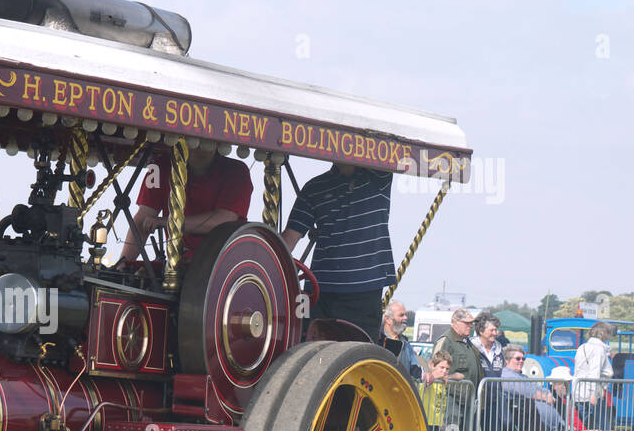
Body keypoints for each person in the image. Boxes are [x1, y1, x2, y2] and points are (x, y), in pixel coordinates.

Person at [279, 163, 395, 339]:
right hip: (319, 293)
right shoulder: (314, 188)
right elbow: (289, 239)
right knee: (303, 347)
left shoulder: (379, 176)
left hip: (362, 293)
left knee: (358, 358)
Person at [117, 149, 252, 267]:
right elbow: (143, 219)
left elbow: (224, 220)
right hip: (177, 263)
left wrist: (167, 222)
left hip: (222, 266)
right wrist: (123, 263)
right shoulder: (159, 167)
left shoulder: (237, 171)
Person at [499, 345, 569, 431]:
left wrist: (546, 394)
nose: (521, 361)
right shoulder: (505, 375)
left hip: (544, 420)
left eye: (523, 359)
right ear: (507, 361)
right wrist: (543, 396)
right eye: (518, 359)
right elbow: (521, 390)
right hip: (523, 422)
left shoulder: (523, 377)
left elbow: (540, 388)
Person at [572, 321, 615, 431]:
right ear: (603, 334)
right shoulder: (598, 349)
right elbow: (594, 372)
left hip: (578, 393)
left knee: (583, 430)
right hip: (593, 394)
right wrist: (593, 393)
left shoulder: (582, 347)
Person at [382, 300, 419, 379]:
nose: (406, 317)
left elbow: (414, 368)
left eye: (405, 315)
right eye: (401, 315)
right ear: (388, 319)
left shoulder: (405, 343)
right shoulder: (378, 340)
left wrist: (427, 375)